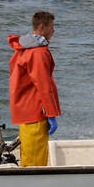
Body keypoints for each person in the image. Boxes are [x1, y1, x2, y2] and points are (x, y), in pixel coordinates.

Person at [7, 11, 61, 167]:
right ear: (42, 27)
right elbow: (44, 85)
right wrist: (51, 114)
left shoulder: (23, 48)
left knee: (28, 153)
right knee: (35, 160)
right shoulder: (38, 53)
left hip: (23, 109)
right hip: (35, 112)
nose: (54, 30)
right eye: (52, 26)